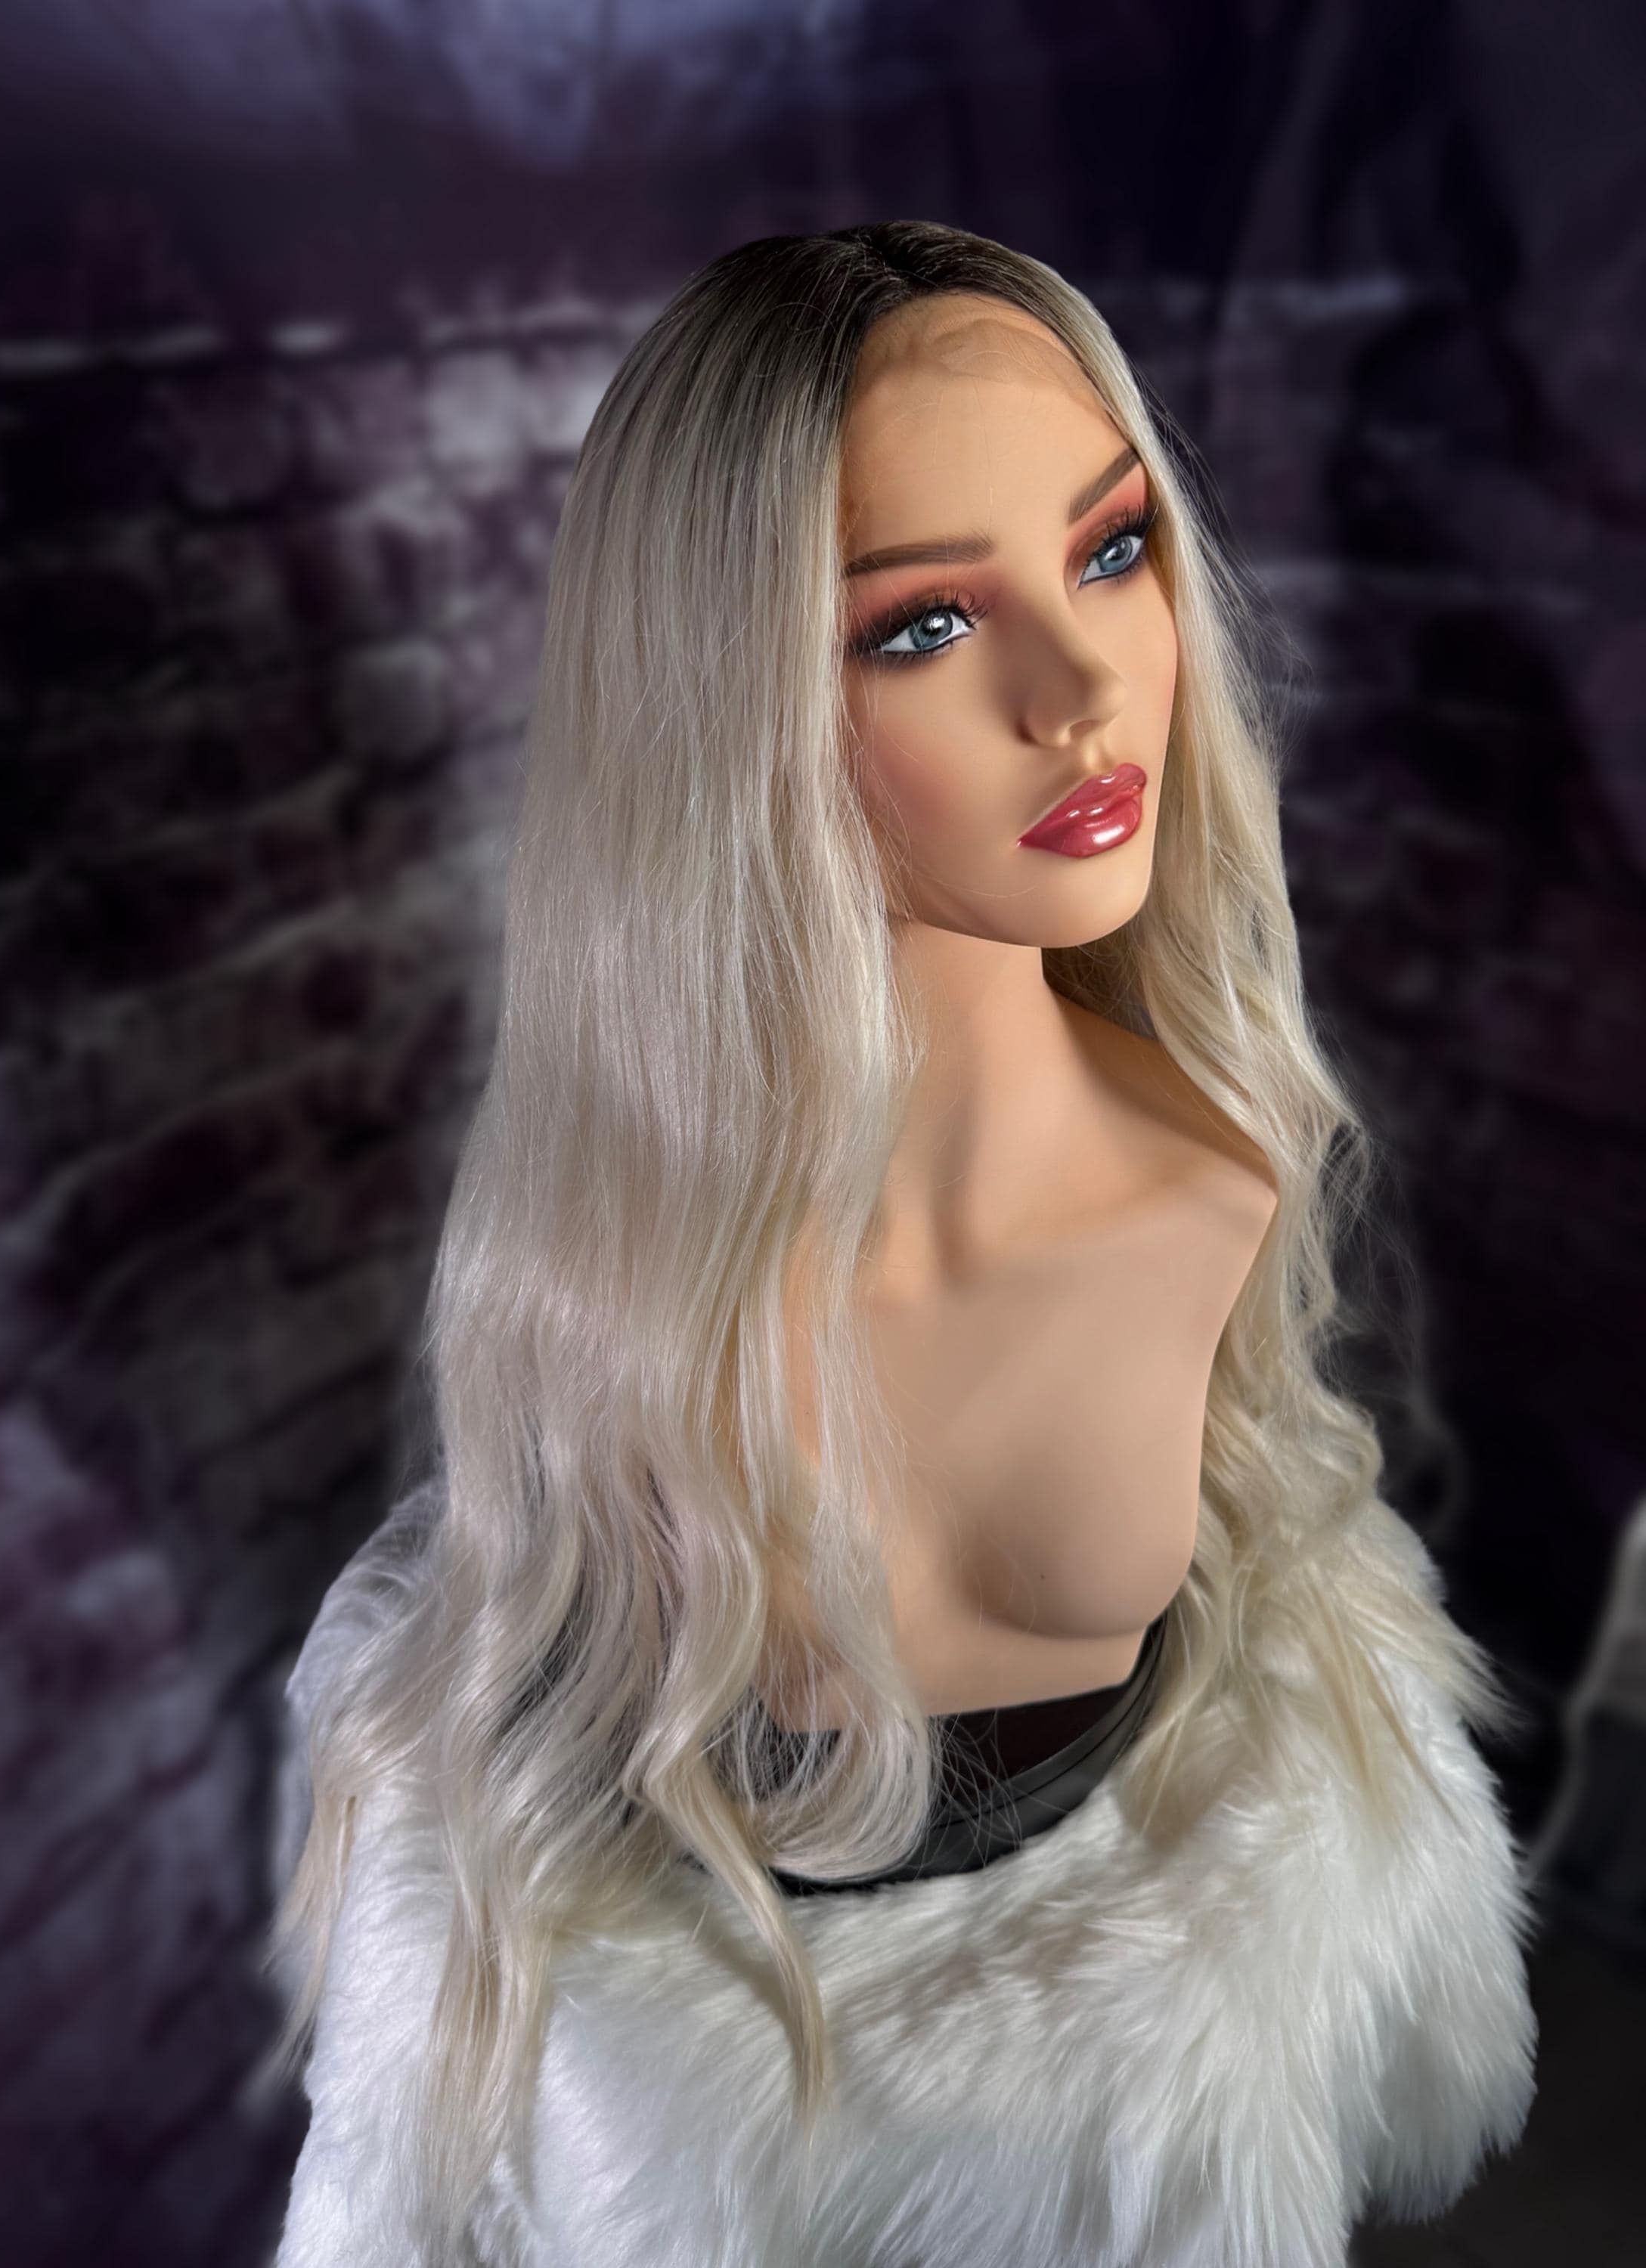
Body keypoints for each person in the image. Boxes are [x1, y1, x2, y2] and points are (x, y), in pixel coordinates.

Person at [268, 220, 1539, 2268]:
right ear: (728, 706)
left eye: (1108, 552)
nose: (1082, 689)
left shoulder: (1197, 1173)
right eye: (924, 626)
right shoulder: (616, 1293)